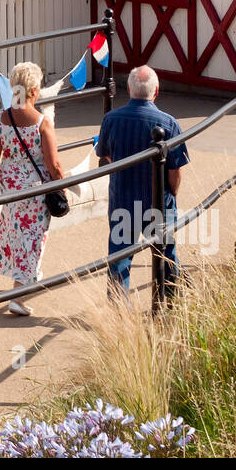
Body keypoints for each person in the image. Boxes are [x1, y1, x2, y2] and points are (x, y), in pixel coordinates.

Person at [94, 66, 190, 300]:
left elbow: (106, 155)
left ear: (128, 89)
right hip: (158, 201)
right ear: (156, 91)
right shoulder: (169, 123)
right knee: (166, 251)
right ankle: (169, 299)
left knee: (119, 256)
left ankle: (119, 311)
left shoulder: (111, 119)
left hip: (123, 198)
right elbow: (175, 170)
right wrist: (172, 193)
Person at [0, 62, 64, 316]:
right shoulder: (42, 123)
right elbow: (53, 163)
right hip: (35, 188)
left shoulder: (1, 119)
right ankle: (19, 292)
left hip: (10, 183)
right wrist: (62, 186)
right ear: (34, 91)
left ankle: (25, 276)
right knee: (33, 236)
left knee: (17, 230)